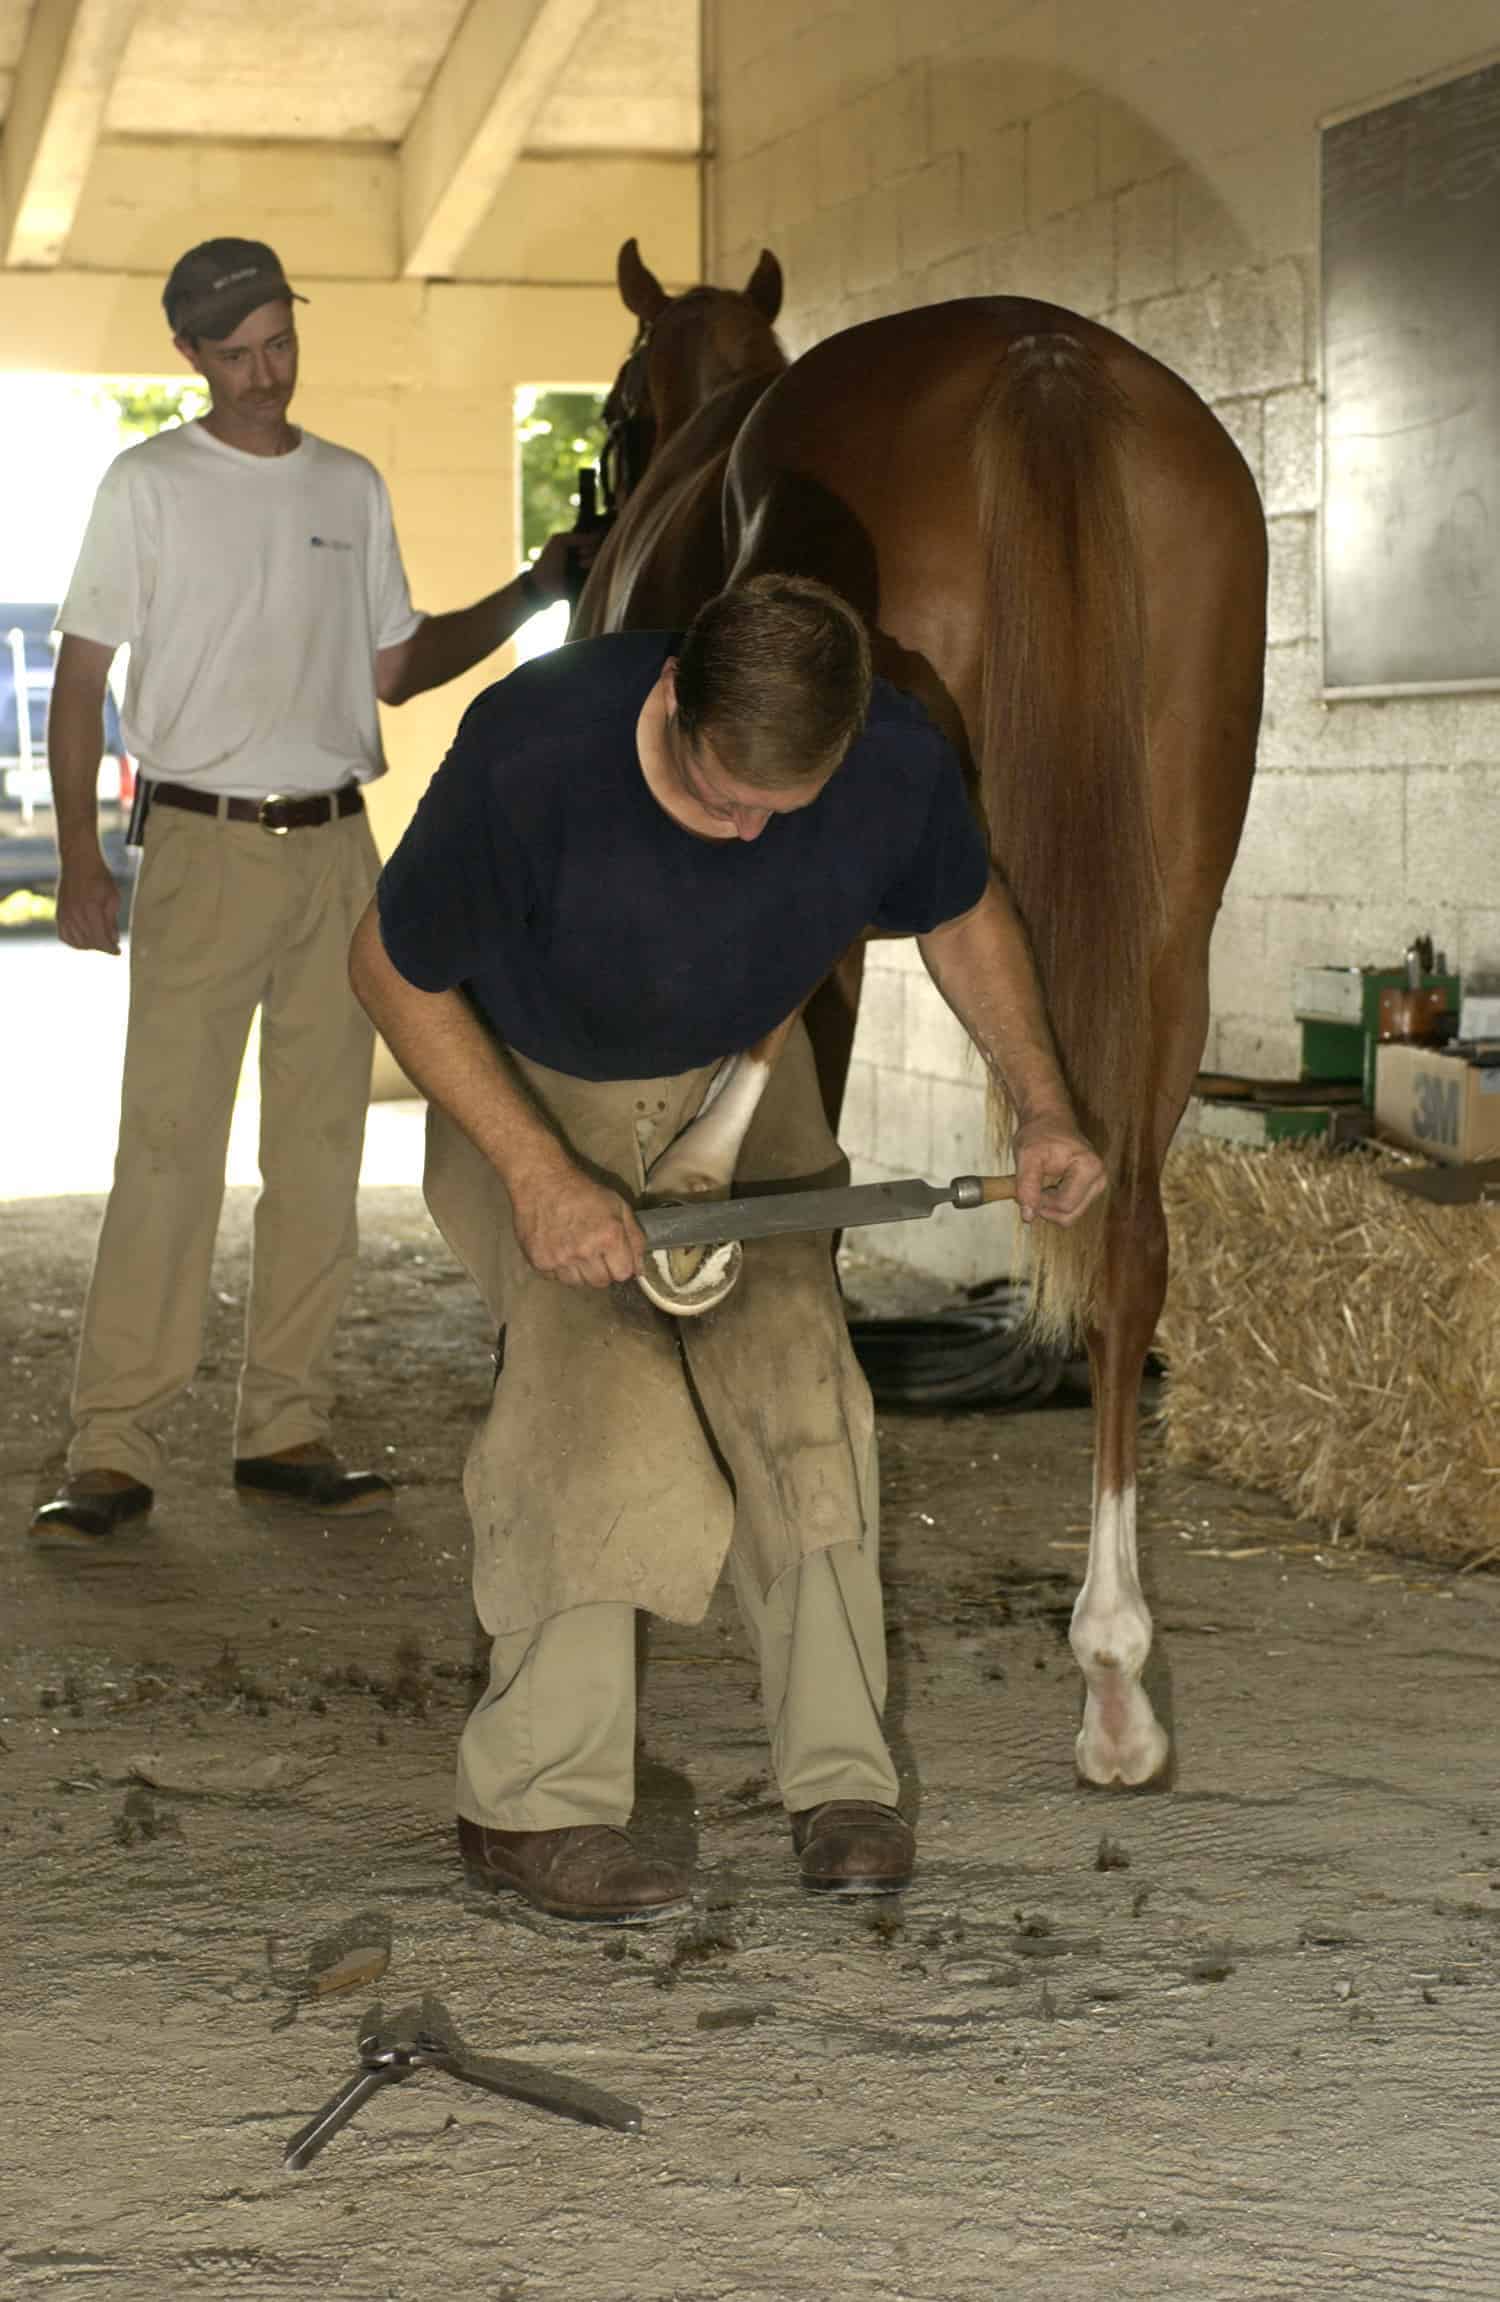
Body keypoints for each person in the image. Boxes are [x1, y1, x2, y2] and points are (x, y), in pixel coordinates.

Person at [350, 573, 1107, 1920]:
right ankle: (537, 1802)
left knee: (802, 1383)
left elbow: (959, 905)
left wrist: (1041, 1101)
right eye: (719, 797)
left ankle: (843, 1781)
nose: (748, 829)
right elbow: (389, 967)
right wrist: (539, 1174)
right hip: (532, 1080)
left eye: (780, 811)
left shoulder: (889, 756)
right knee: (598, 1384)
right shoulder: (534, 748)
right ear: (670, 697)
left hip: (746, 1073)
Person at [32, 236, 595, 1541]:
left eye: (280, 342)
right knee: (166, 1148)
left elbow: (396, 666)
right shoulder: (146, 485)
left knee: (322, 1145)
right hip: (201, 848)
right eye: (236, 354)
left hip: (340, 848)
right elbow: (79, 680)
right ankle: (112, 1444)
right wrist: (78, 860)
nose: (265, 373)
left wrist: (532, 592)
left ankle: (283, 1424)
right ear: (187, 354)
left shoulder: (349, 483)